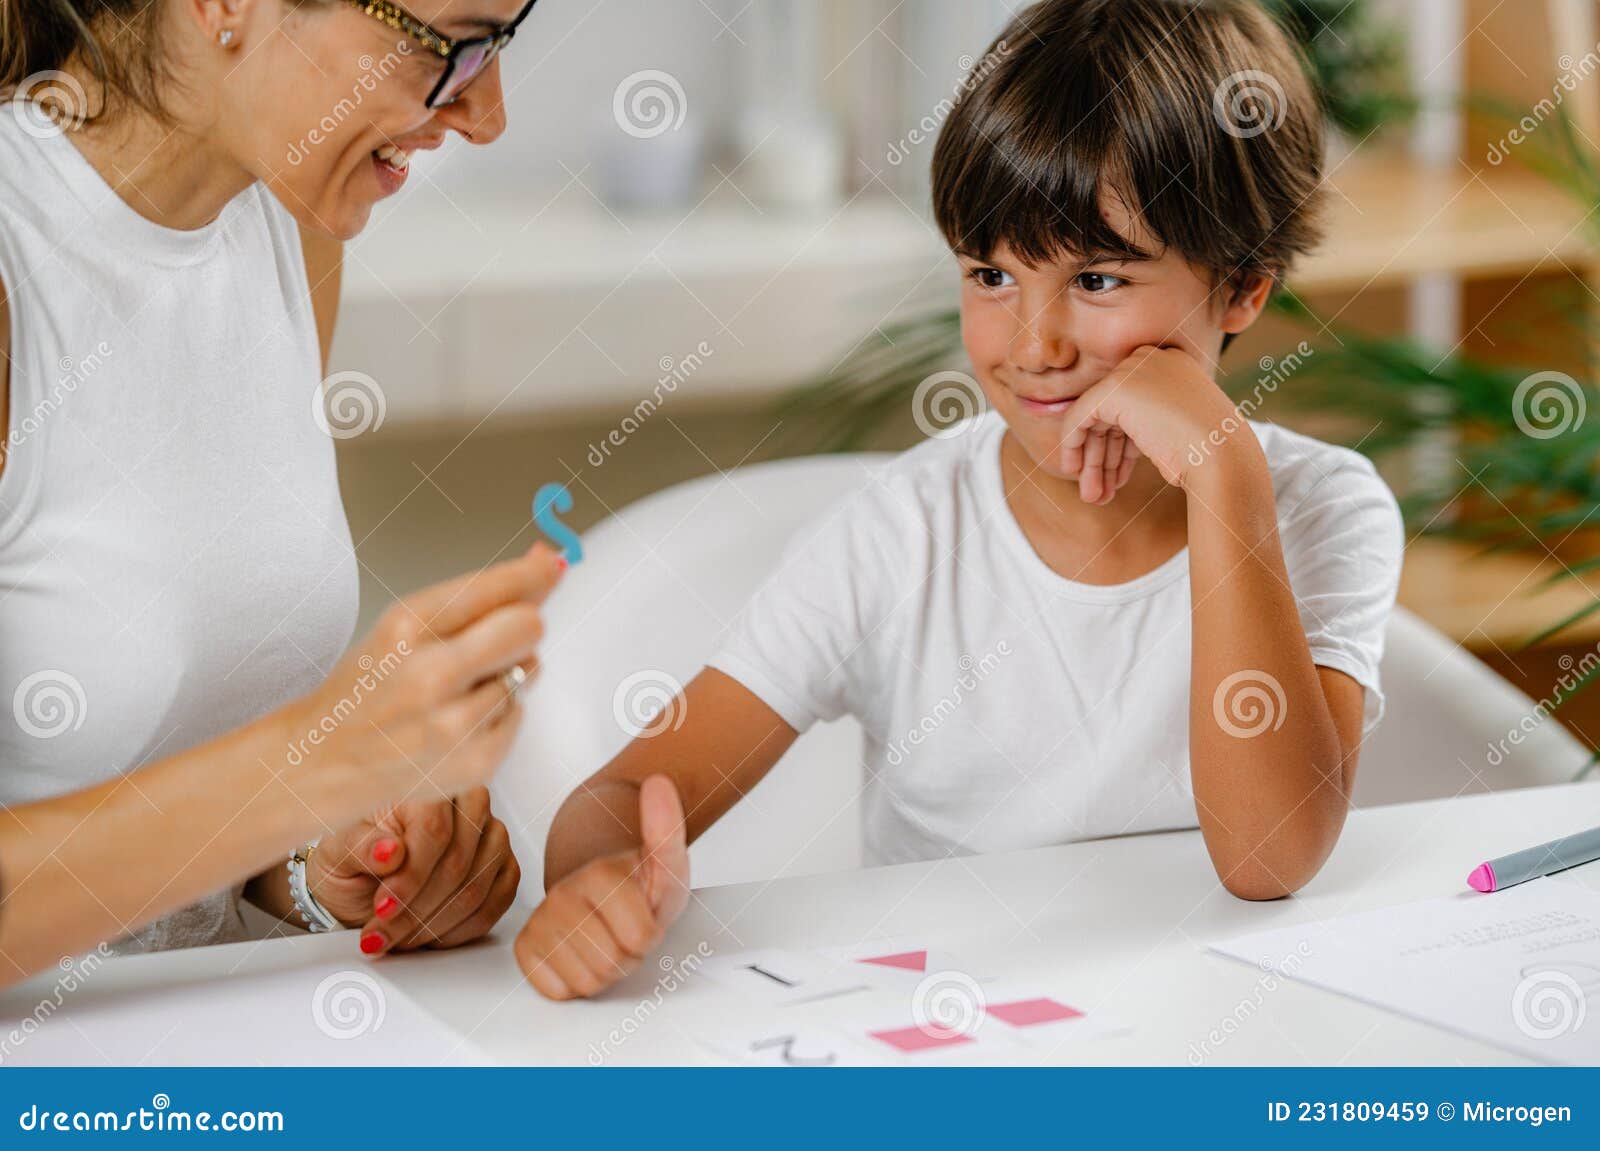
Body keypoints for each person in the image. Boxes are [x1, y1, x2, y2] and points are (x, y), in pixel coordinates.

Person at [513, 0, 1405, 1001]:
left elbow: (1270, 856)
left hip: (1206, 1018)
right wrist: (598, 877)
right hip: (950, 1025)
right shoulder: (896, 537)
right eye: (991, 272)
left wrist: (1224, 477)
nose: (1033, 344)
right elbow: (625, 793)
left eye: (1098, 278)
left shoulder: (1325, 509)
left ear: (1241, 289)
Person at [0, 0, 552, 984]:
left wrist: (315, 864)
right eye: (454, 46)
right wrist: (311, 766)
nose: (484, 113)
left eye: (501, 46)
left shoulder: (284, 227)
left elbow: (169, 824)